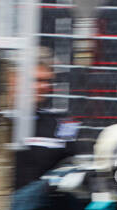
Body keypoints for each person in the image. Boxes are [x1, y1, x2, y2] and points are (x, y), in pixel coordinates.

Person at [13, 49, 80, 190]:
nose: (44, 87)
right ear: (14, 79)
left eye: (47, 81)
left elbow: (71, 164)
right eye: (36, 80)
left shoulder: (61, 124)